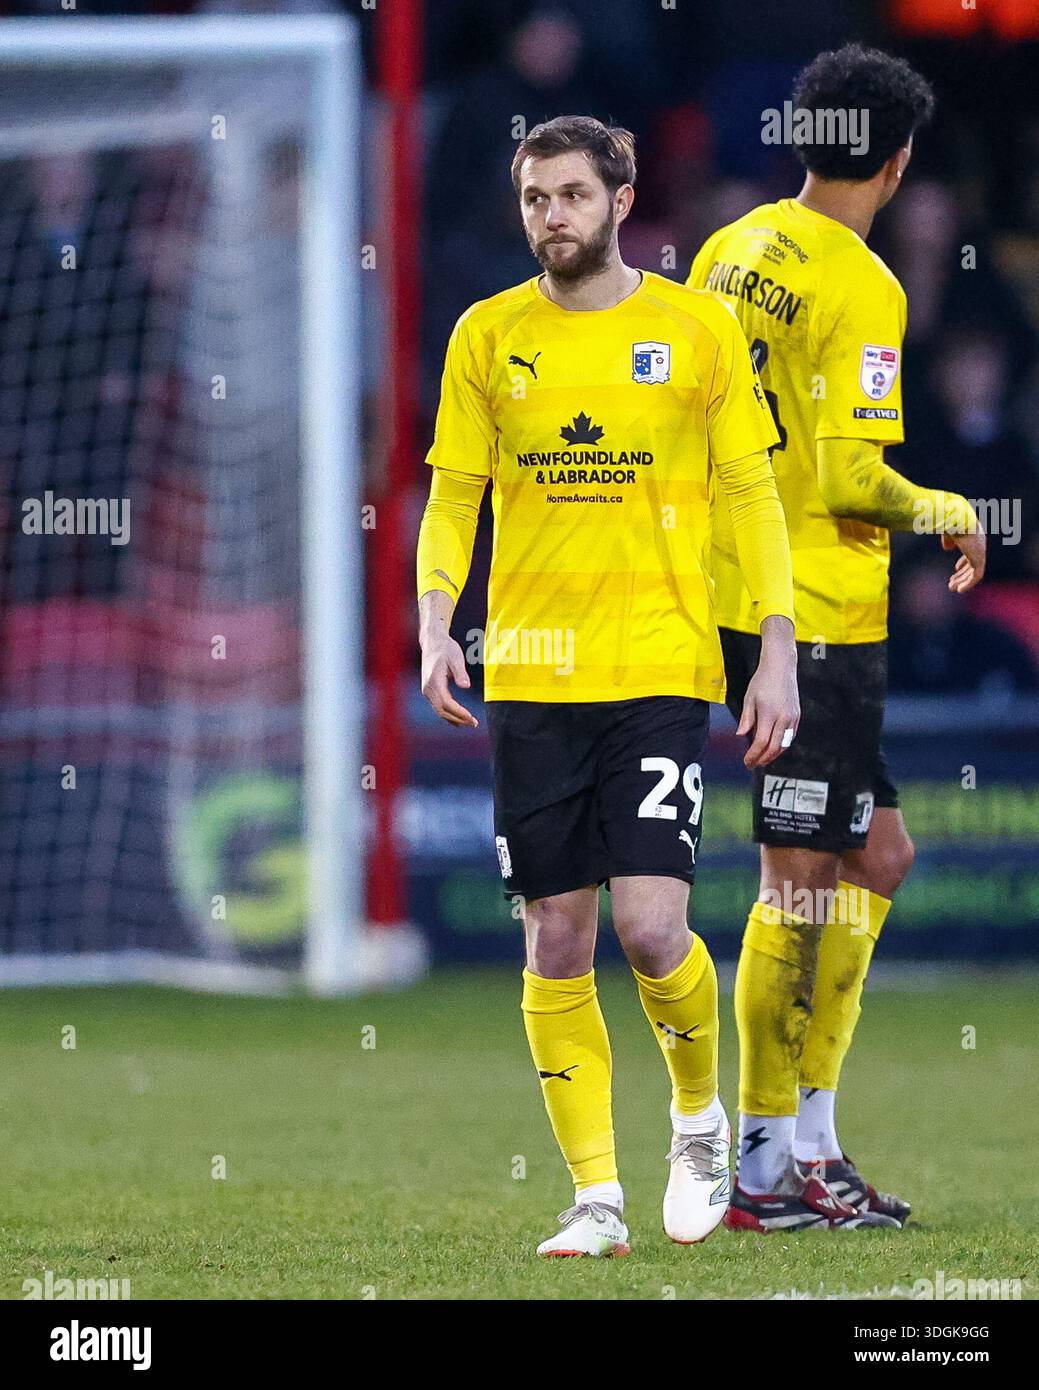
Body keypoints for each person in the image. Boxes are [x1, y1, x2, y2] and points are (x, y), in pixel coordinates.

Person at [416, 115, 807, 1256]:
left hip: (657, 663)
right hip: (530, 675)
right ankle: (596, 1196)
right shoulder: (488, 337)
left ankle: (695, 1118)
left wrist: (772, 649)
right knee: (553, 936)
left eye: (573, 196)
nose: (552, 217)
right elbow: (452, 498)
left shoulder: (696, 329)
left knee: (646, 928)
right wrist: (436, 623)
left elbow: (749, 497)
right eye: (536, 198)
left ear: (621, 200)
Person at [686, 44, 986, 1233]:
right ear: (899, 161)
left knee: (878, 859)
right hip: (811, 614)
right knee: (796, 886)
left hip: (742, 594)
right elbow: (859, 479)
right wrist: (949, 509)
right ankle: (760, 1164)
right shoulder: (863, 286)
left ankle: (808, 1141)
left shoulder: (729, 248)